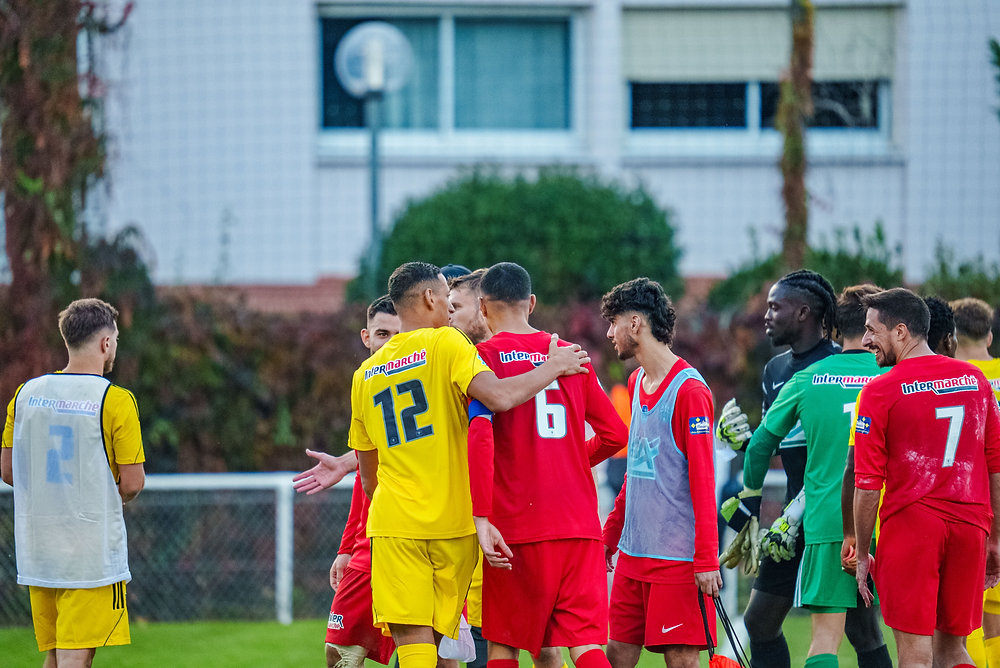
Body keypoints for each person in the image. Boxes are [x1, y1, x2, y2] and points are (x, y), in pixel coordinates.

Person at [349, 262, 590, 668]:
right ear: (430, 298)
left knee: (413, 637)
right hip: (454, 523)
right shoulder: (446, 343)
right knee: (444, 637)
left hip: (395, 521)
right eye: (447, 296)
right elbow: (497, 397)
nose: (451, 306)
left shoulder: (364, 375)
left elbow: (367, 468)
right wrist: (551, 367)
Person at [716, 270, 893, 668]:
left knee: (856, 630)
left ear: (804, 312)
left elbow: (829, 454)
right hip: (812, 517)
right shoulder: (776, 370)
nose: (767, 315)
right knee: (761, 620)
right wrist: (742, 454)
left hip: (823, 510)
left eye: (775, 307)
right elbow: (776, 444)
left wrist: (790, 507)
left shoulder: (831, 367)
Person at [469, 262, 627, 668]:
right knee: (587, 646)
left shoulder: (480, 359)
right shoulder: (571, 356)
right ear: (532, 303)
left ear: (482, 308)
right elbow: (615, 434)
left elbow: (480, 439)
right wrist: (569, 462)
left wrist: (482, 513)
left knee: (504, 645)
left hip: (517, 527)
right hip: (579, 525)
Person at [853, 288, 1000, 668]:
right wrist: (996, 538)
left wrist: (864, 554)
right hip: (971, 526)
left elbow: (867, 483)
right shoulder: (976, 381)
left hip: (912, 528)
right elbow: (996, 465)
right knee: (954, 649)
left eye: (872, 330)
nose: (865, 339)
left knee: (915, 655)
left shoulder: (879, 391)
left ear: (901, 332)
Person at [1, 298, 146, 667]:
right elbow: (132, 482)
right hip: (88, 549)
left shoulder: (25, 394)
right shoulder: (115, 400)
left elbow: (9, 471)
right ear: (106, 344)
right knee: (75, 657)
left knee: (56, 653)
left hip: (39, 547)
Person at [599, 277, 721, 668]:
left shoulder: (690, 392)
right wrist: (610, 535)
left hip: (678, 562)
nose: (608, 332)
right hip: (633, 556)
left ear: (635, 323)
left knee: (680, 661)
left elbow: (704, 483)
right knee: (615, 655)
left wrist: (705, 560)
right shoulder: (635, 383)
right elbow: (637, 473)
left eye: (614, 322)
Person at [322, 296, 401, 668]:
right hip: (368, 547)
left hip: (413, 537)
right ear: (366, 337)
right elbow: (365, 481)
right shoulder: (365, 385)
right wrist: (346, 547)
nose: (389, 342)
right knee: (337, 652)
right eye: (383, 333)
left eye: (398, 334)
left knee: (430, 655)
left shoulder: (424, 382)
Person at [950, 297, 1000, 668]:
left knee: (967, 625)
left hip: (972, 510)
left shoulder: (950, 381)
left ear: (951, 337)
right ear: (990, 336)